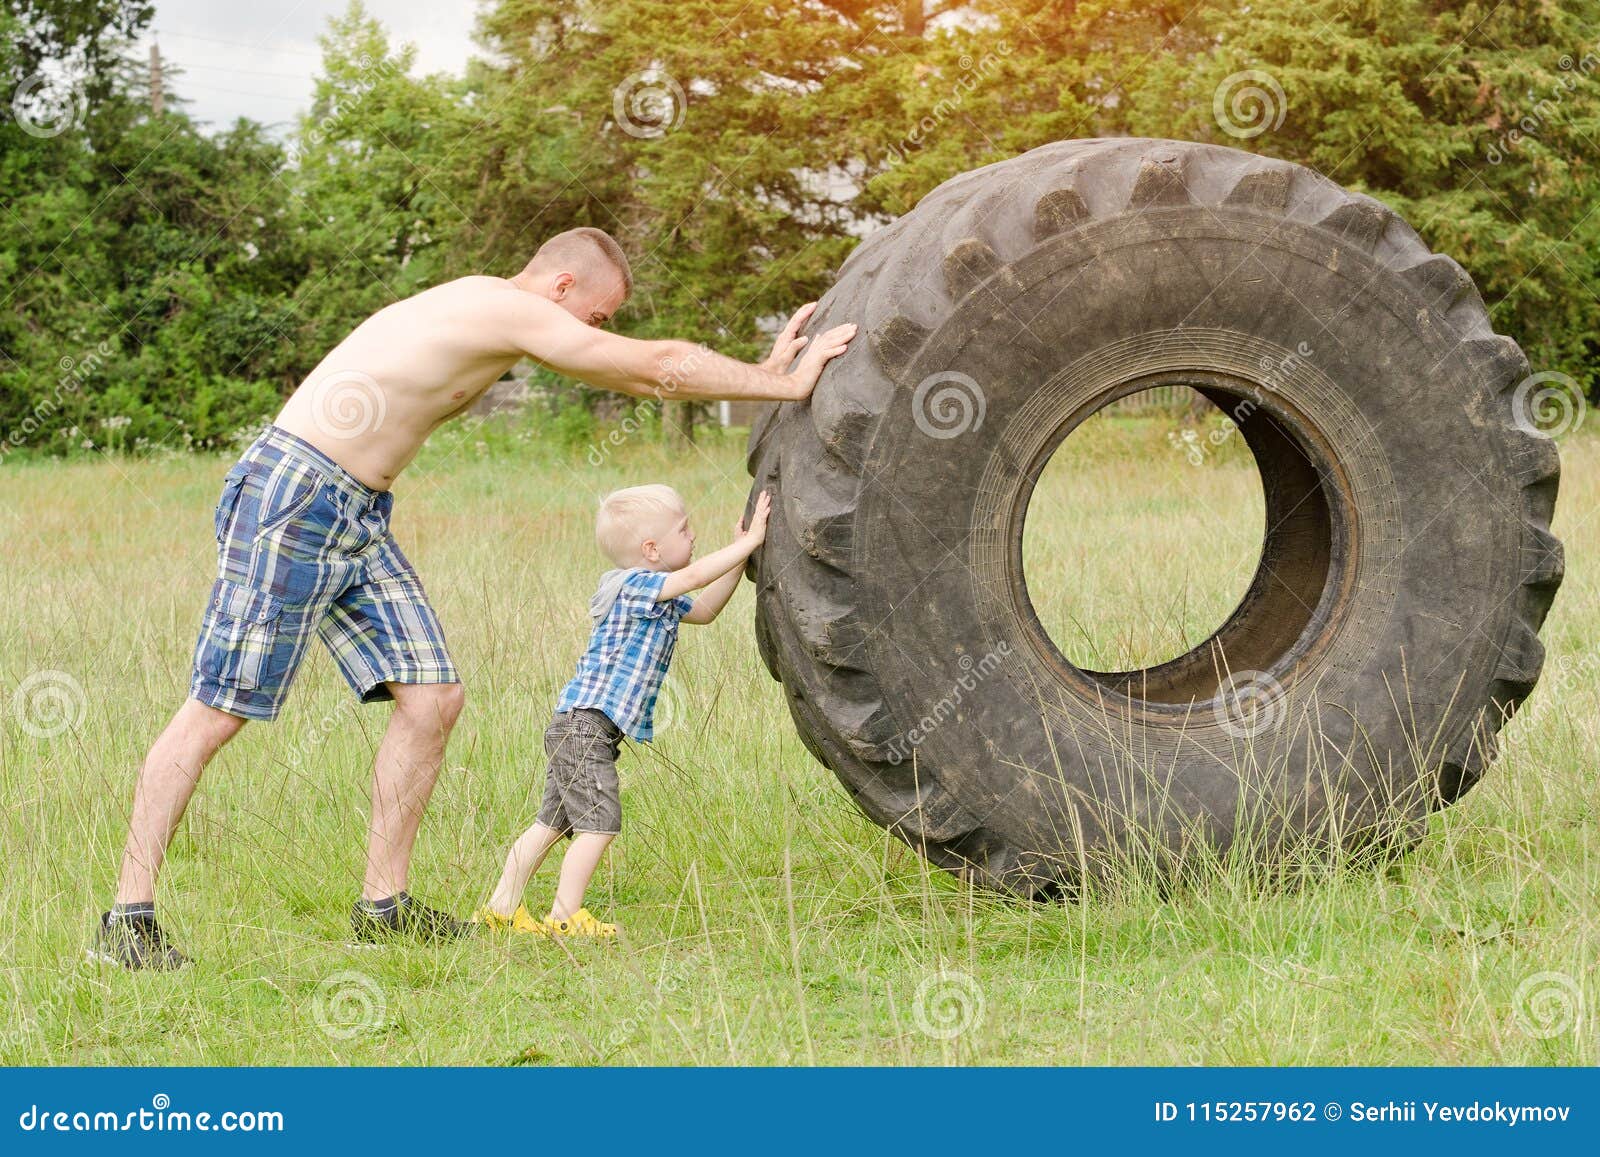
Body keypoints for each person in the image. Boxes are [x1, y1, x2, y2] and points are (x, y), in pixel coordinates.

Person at [94, 226, 856, 970]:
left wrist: (757, 369)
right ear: (561, 285)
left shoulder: (491, 315)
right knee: (218, 710)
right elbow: (644, 366)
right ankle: (126, 919)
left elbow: (645, 361)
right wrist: (782, 381)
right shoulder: (503, 306)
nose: (596, 330)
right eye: (595, 315)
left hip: (357, 511)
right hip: (295, 497)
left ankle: (383, 906)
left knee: (433, 697)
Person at [476, 486, 772, 937]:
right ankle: (564, 916)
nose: (693, 536)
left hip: (578, 726)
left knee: (552, 823)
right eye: (684, 529)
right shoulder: (633, 586)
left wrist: (738, 561)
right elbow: (693, 579)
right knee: (599, 825)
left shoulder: (660, 595)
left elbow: (707, 608)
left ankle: (500, 908)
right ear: (651, 550)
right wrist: (744, 544)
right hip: (585, 727)